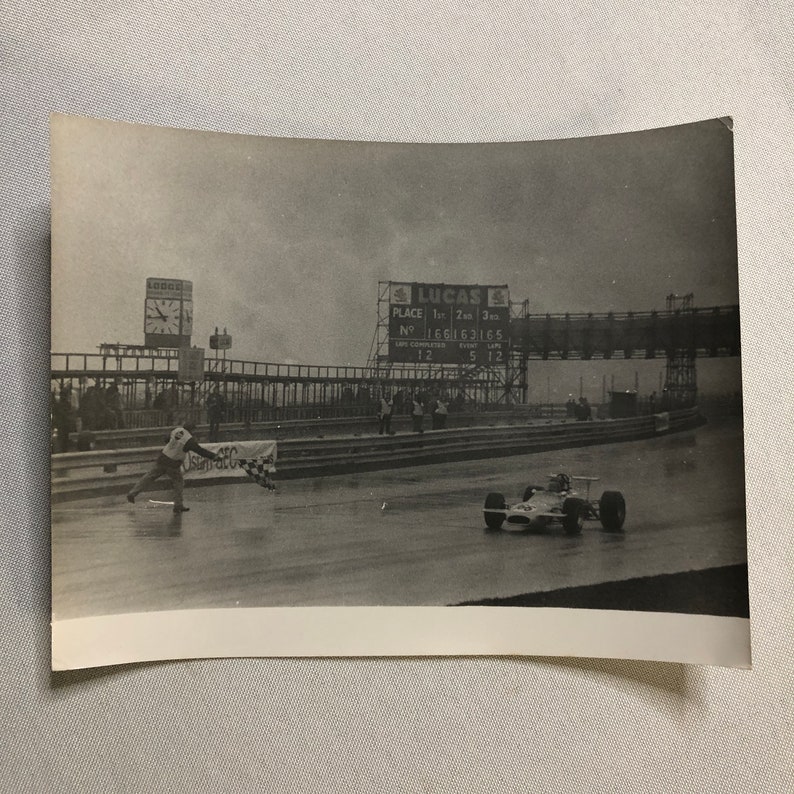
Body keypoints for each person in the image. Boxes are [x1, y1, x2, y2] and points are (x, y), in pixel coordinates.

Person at [126, 421, 219, 513]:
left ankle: (132, 493)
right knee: (178, 482)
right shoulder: (189, 440)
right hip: (173, 463)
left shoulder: (177, 430)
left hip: (163, 458)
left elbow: (166, 439)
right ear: (192, 430)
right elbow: (200, 451)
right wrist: (214, 456)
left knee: (149, 477)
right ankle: (178, 505)